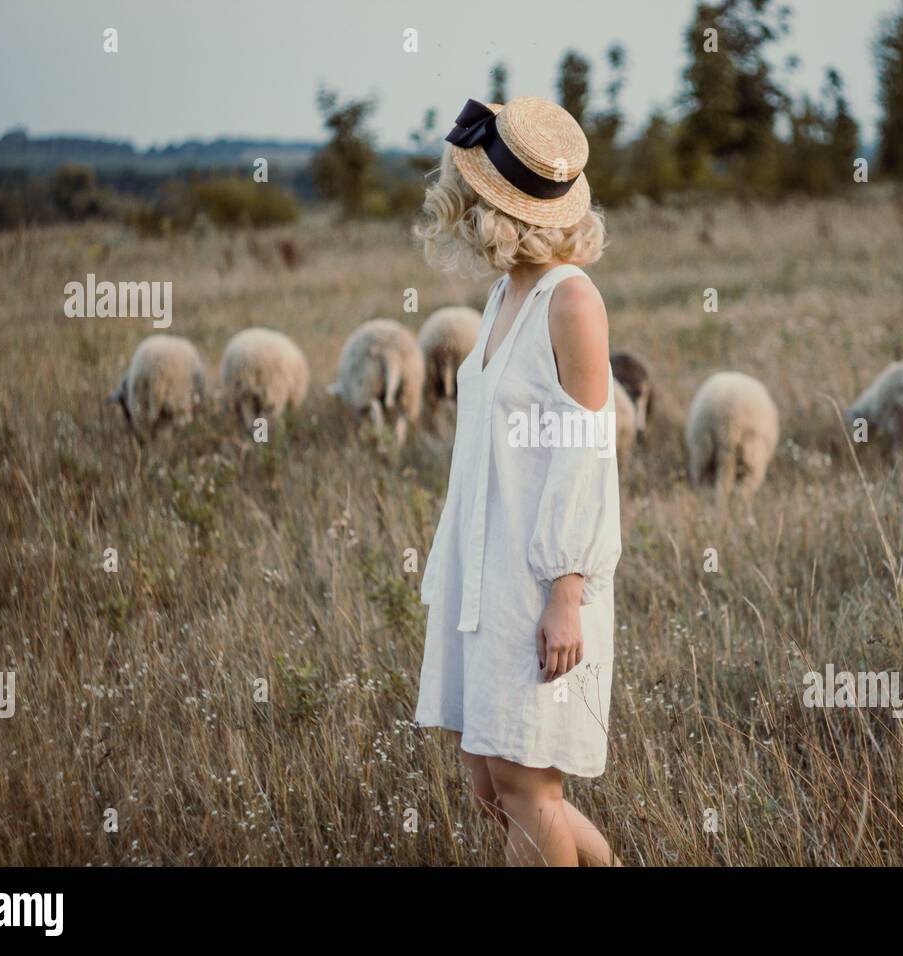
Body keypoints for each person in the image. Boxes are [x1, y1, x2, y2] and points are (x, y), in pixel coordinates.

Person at [412, 96, 622, 866]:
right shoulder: (508, 291)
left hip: (542, 583)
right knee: (492, 785)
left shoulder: (572, 299)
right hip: (485, 573)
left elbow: (585, 453)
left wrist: (565, 594)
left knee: (530, 793)